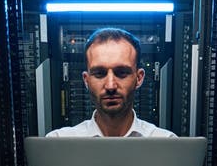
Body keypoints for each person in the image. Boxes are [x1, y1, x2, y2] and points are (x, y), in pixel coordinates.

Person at [46, 27, 176, 138]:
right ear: (86, 80)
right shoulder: (59, 142)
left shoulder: (166, 143)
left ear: (139, 78)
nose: (110, 85)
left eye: (121, 73)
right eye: (99, 74)